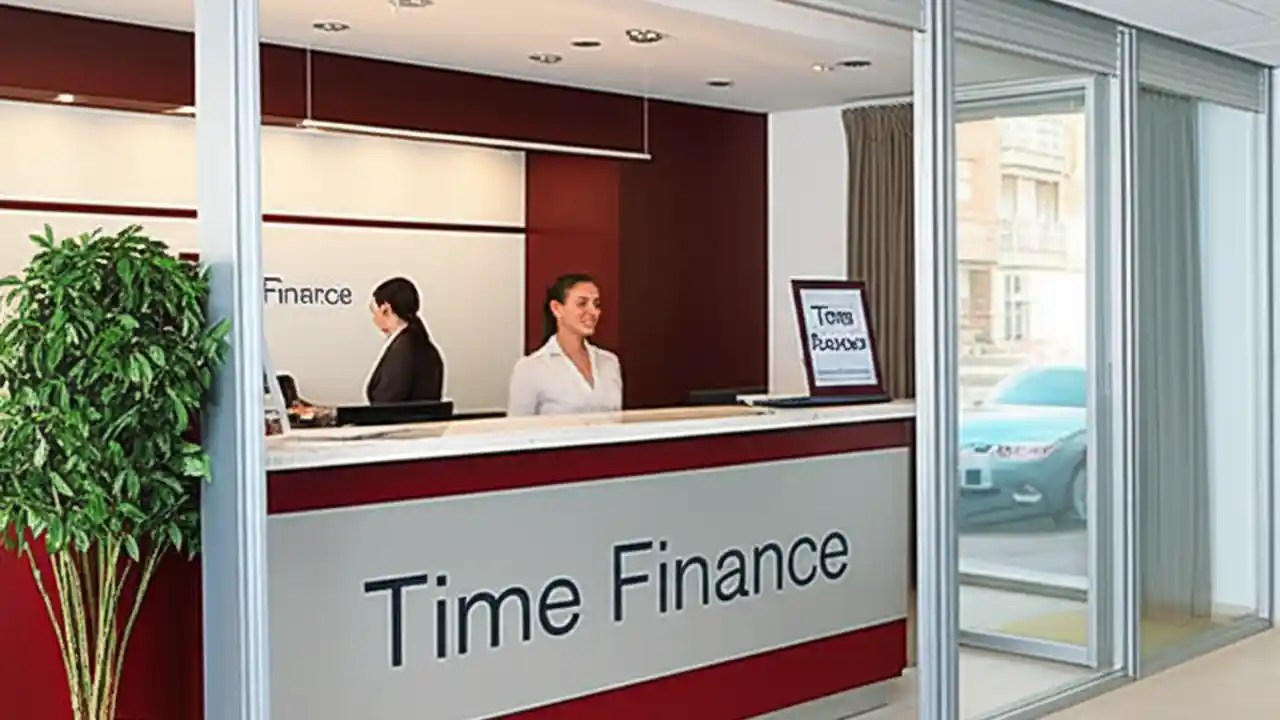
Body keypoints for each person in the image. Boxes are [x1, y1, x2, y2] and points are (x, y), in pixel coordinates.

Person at [508, 273, 622, 416]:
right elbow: (518, 431)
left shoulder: (610, 362)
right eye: (582, 303)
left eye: (596, 304)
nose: (593, 312)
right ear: (557, 309)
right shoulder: (530, 369)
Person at [365, 277, 445, 405]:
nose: (373, 318)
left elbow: (385, 407)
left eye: (374, 311)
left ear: (386, 309)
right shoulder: (425, 347)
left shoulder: (403, 351)